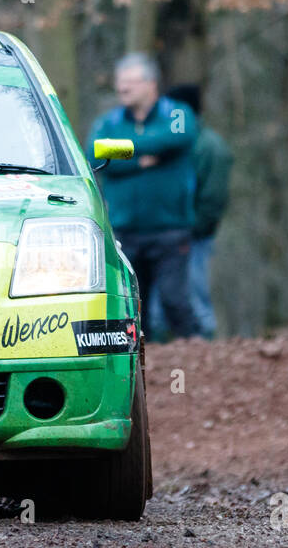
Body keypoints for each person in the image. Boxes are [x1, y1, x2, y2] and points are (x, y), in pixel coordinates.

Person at [89, 54, 199, 340]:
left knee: (175, 300)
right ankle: (144, 365)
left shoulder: (176, 112)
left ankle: (194, 354)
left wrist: (121, 150)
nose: (122, 88)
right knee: (132, 305)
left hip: (170, 229)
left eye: (130, 82)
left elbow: (178, 137)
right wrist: (142, 158)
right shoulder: (108, 121)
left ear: (150, 84)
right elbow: (95, 153)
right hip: (124, 230)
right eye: (119, 82)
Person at [161, 83, 233, 338]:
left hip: (193, 236)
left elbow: (213, 197)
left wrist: (193, 228)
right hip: (168, 232)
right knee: (165, 299)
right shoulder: (176, 142)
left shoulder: (210, 146)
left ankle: (204, 346)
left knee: (195, 292)